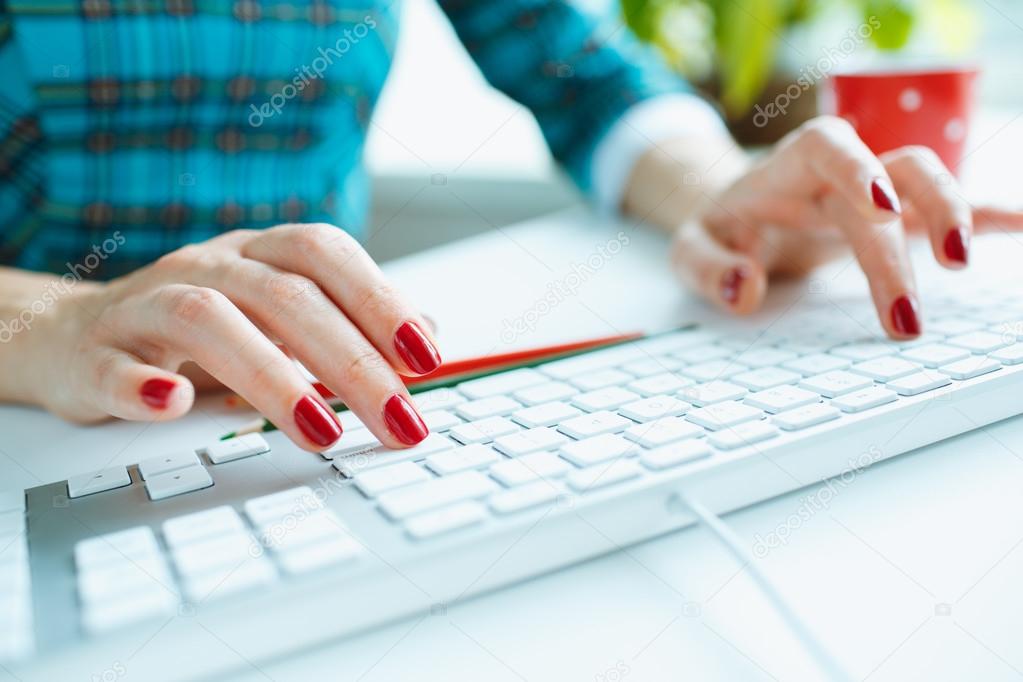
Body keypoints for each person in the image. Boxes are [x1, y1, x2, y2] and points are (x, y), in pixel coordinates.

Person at [0, 1, 1019, 453]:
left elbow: (588, 77)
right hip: (31, 425)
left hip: (303, 417)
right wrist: (55, 323)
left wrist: (719, 189)